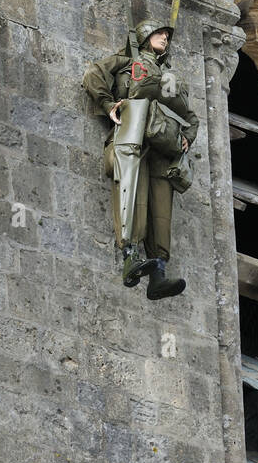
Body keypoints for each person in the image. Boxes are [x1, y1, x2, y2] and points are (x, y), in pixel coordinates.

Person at [82, 20, 197, 300]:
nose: (165, 39)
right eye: (160, 33)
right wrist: (109, 105)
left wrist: (187, 136)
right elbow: (92, 76)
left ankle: (158, 272)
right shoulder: (125, 62)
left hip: (161, 149)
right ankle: (130, 257)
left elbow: (189, 115)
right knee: (133, 195)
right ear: (145, 36)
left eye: (167, 36)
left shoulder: (169, 77)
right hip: (132, 138)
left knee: (161, 207)